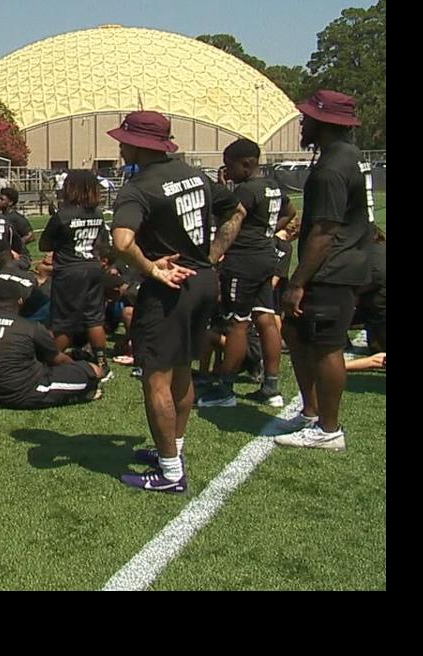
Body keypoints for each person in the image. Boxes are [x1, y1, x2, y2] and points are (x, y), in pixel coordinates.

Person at [108, 111, 245, 493]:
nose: (119, 145)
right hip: (202, 280)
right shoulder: (193, 173)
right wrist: (213, 254)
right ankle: (174, 449)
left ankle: (170, 472)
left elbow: (121, 243)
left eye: (125, 139)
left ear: (141, 144)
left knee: (157, 378)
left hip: (169, 289)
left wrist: (151, 269)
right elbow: (237, 210)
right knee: (183, 368)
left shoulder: (140, 186)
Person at [275, 90, 375, 451]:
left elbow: (326, 231)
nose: (303, 122)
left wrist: (297, 282)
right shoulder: (341, 156)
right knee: (297, 333)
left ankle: (328, 429)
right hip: (338, 262)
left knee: (326, 345)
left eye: (309, 117)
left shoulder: (334, 166)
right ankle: (311, 412)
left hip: (332, 269)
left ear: (326, 122)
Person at [197, 139, 294, 409]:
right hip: (265, 255)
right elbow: (290, 211)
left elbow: (229, 220)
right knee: (265, 317)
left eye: (230, 166)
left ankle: (225, 389)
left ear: (247, 164)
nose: (227, 171)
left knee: (236, 322)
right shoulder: (273, 186)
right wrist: (266, 230)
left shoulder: (246, 191)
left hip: (243, 260)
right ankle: (271, 386)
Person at [0, 275, 103, 409]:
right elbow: (59, 360)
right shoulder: (29, 326)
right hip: (24, 392)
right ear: (20, 301)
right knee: (93, 370)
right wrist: (76, 367)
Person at [38, 170, 112, 377]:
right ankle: (102, 363)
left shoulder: (63, 215)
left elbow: (44, 244)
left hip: (70, 270)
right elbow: (103, 245)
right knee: (94, 318)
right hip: (93, 267)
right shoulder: (97, 214)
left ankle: (52, 359)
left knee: (63, 321)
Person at [0, 186, 35, 266]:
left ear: (10, 202)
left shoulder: (16, 218)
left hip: (21, 257)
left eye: (2, 199)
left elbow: (30, 235)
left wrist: (16, 246)